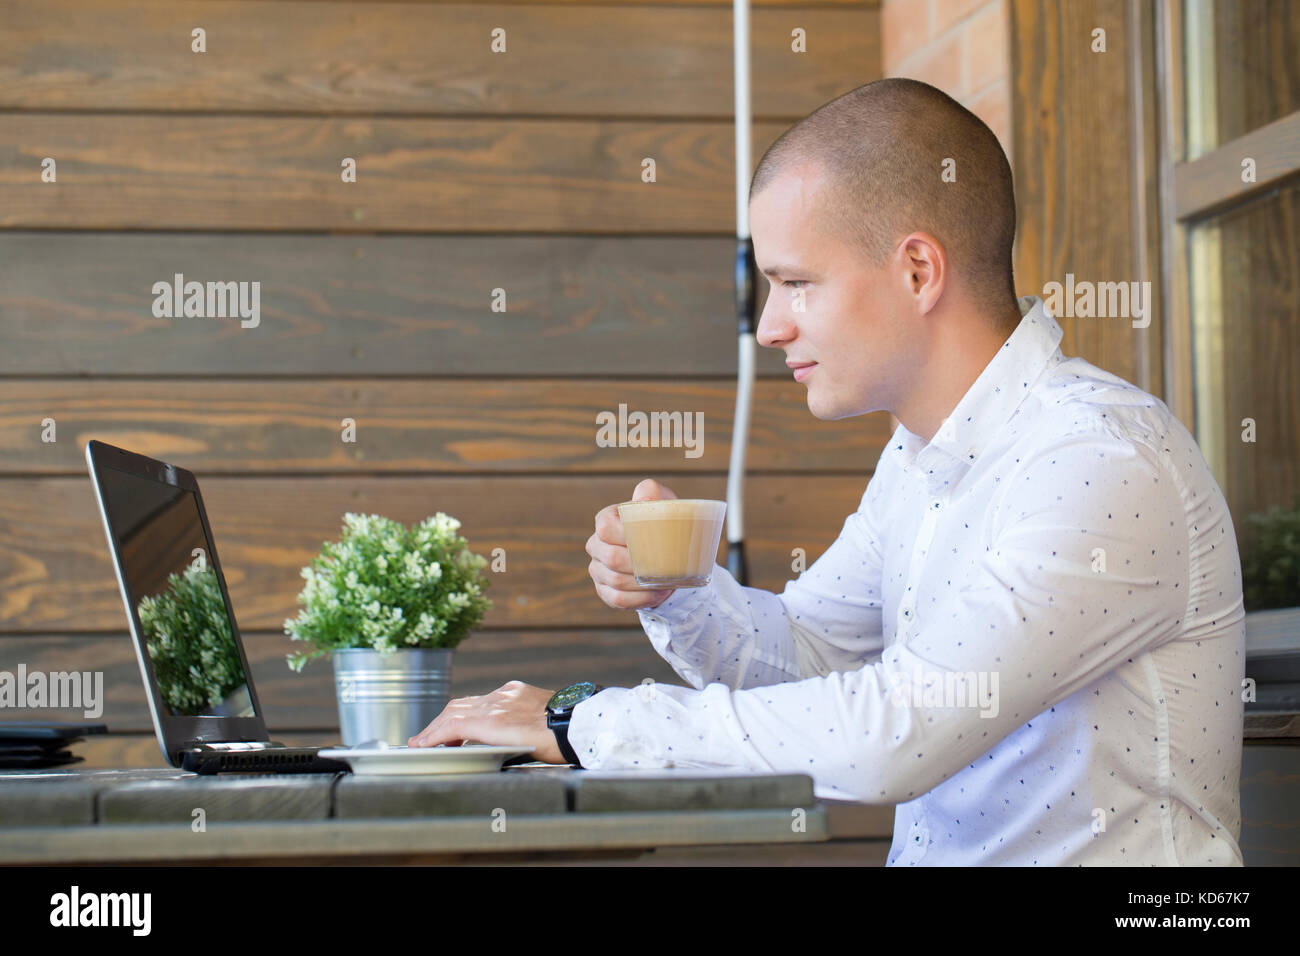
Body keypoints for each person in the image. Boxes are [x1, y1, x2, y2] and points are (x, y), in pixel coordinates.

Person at [409, 78, 1245, 866]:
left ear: (918, 271)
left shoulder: (1096, 458)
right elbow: (810, 657)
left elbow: (895, 731)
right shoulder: (921, 460)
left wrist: (581, 723)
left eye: (796, 283)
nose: (771, 326)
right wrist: (681, 592)